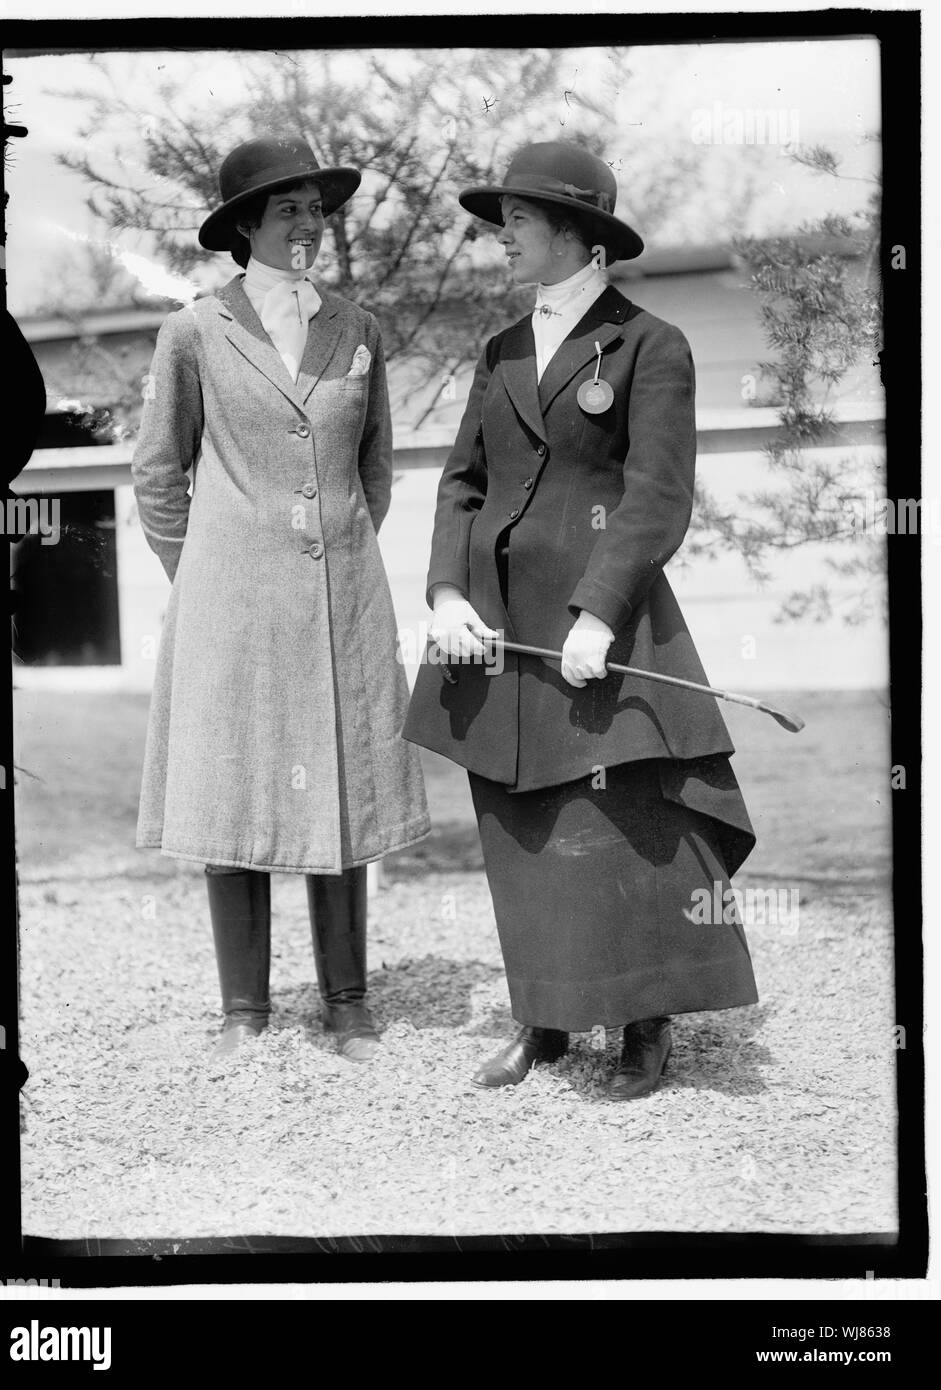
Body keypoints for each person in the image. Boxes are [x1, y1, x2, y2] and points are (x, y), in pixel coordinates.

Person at [402, 140, 758, 1099]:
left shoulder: (652, 345)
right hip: (494, 630)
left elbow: (653, 497)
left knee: (625, 818)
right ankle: (544, 1015)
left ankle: (646, 1020)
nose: (499, 238)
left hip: (604, 623)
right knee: (519, 820)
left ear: (578, 234)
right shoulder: (500, 349)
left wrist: (598, 613)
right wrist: (445, 594)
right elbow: (462, 484)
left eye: (516, 220)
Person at [132, 136, 429, 1061]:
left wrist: (331, 556)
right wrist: (214, 575)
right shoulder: (193, 332)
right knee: (233, 785)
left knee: (340, 782)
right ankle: (244, 1013)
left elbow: (372, 470)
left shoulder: (358, 328)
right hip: (230, 603)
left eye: (317, 210)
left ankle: (346, 1003)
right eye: (287, 210)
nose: (308, 225)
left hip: (340, 597)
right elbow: (156, 473)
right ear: (244, 228)